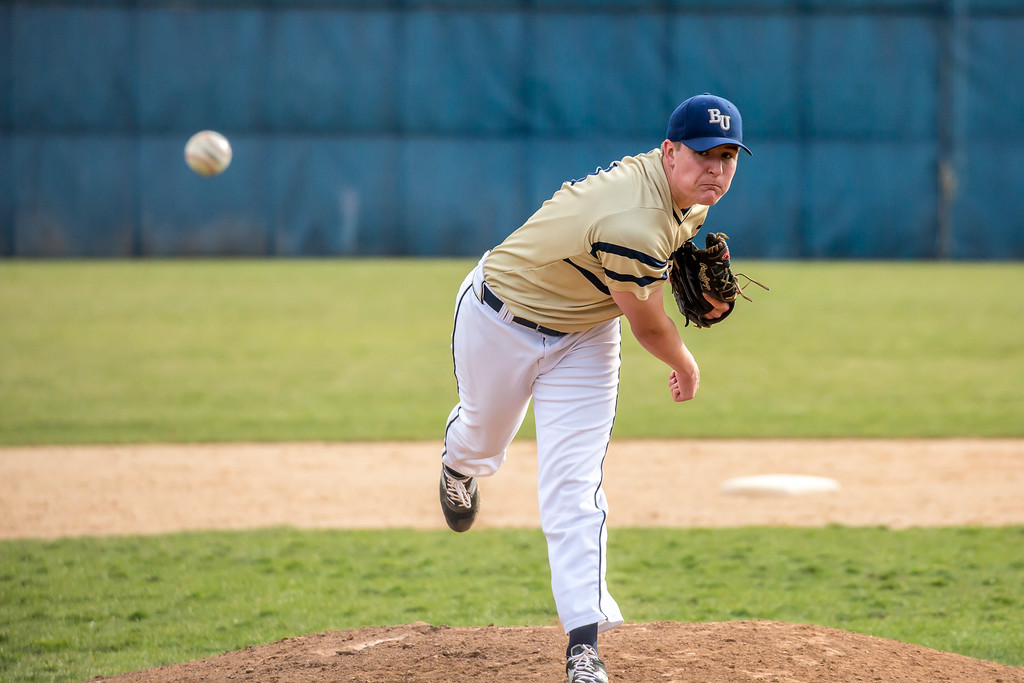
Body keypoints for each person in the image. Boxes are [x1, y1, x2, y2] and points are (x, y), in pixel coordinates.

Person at [439, 93, 751, 683]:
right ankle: (459, 464)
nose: (716, 168)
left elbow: (650, 272)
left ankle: (584, 647)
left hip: (584, 334)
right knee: (483, 434)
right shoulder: (635, 220)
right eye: (705, 153)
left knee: (574, 486)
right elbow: (649, 324)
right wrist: (686, 363)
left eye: (729, 155)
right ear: (669, 151)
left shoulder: (687, 199)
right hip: (498, 318)